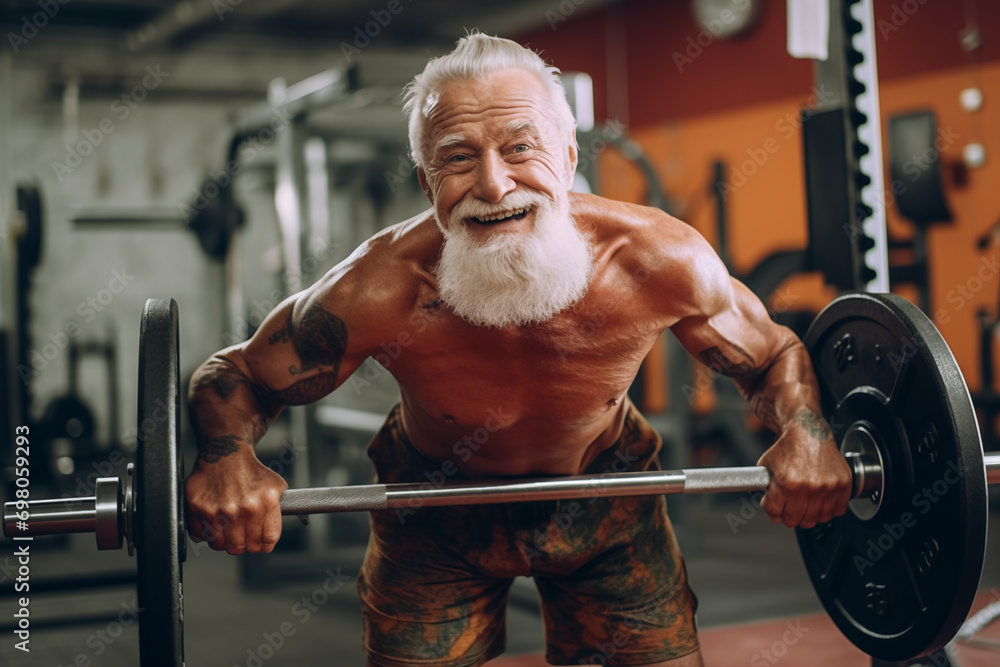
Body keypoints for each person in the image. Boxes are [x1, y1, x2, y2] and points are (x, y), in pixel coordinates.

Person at [185, 32, 853, 667]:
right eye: (457, 156)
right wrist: (228, 455)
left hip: (607, 496)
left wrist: (807, 429)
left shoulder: (659, 260)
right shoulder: (379, 287)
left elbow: (771, 355)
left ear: (567, 157)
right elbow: (238, 373)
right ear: (426, 183)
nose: (494, 184)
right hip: (437, 509)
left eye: (519, 147)